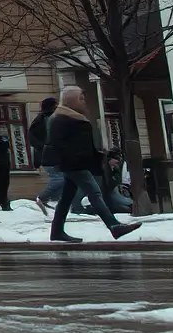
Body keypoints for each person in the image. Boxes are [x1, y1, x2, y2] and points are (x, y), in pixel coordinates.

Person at [45, 85, 143, 243]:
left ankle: (56, 232)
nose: (84, 102)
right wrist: (82, 159)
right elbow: (61, 145)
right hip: (74, 164)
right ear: (71, 100)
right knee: (95, 193)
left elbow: (84, 146)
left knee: (66, 199)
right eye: (80, 99)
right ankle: (114, 226)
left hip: (74, 163)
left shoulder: (70, 117)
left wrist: (101, 157)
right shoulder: (62, 119)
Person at [30, 96, 66, 215]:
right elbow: (33, 138)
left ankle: (54, 201)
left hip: (51, 154)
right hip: (48, 155)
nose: (57, 106)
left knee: (61, 178)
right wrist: (46, 147)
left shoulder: (44, 118)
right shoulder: (46, 119)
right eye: (55, 105)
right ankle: (43, 197)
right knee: (59, 179)